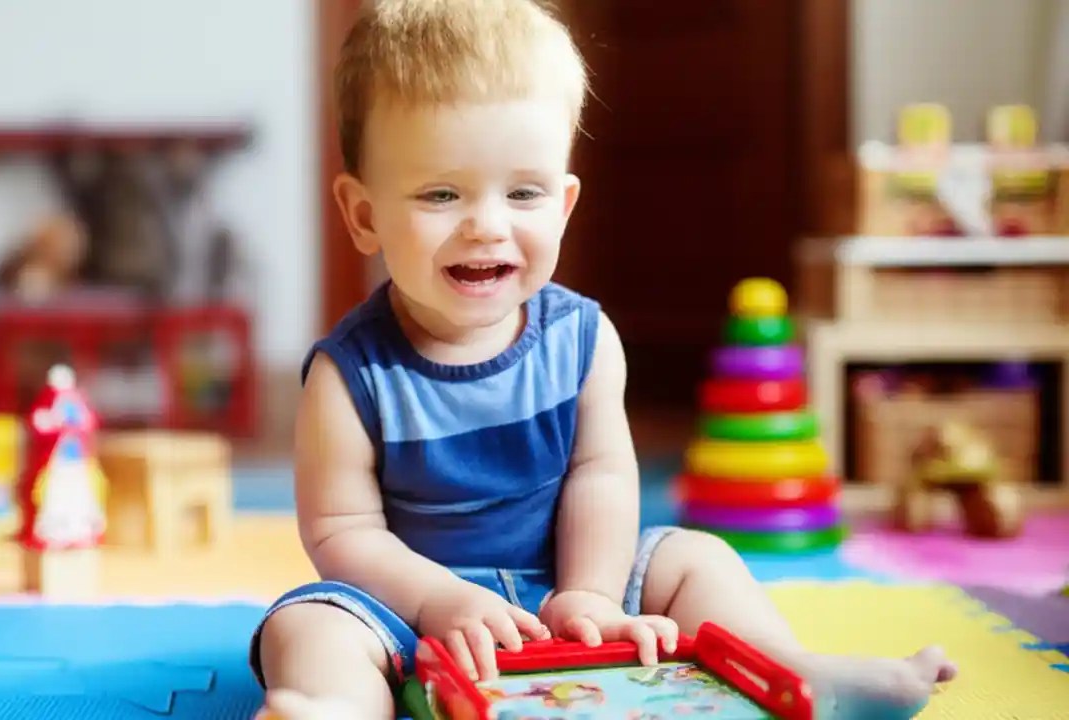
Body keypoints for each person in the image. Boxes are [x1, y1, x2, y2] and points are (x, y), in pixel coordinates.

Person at [251, 1, 957, 717]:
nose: (486, 225)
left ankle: (803, 676)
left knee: (696, 559)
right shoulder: (349, 374)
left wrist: (589, 593)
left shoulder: (582, 340)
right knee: (306, 623)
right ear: (364, 216)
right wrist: (440, 599)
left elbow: (602, 474)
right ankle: (331, 706)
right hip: (412, 611)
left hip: (571, 587)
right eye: (441, 193)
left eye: (523, 192)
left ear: (562, 205)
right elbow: (343, 532)